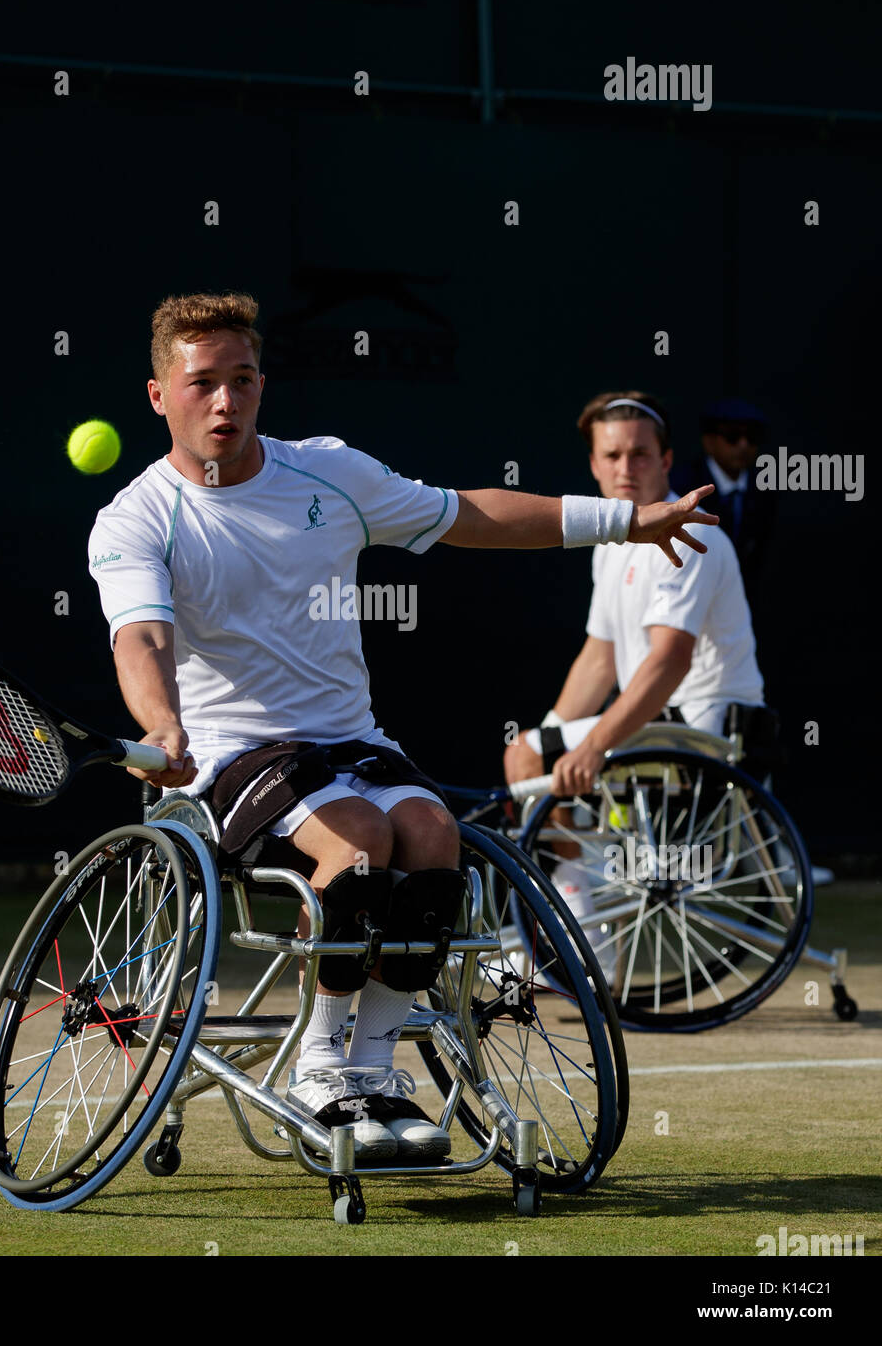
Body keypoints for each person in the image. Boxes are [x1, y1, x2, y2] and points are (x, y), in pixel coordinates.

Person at [88, 299, 716, 1163]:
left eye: (241, 381)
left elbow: (471, 514)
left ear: (262, 384)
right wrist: (162, 723)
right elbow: (143, 637)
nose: (225, 402)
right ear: (161, 395)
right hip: (233, 754)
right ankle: (318, 1065)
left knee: (431, 836)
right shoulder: (135, 518)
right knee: (361, 844)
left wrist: (623, 520)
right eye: (203, 385)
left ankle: (373, 1069)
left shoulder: (329, 473)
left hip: (350, 740)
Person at [503, 392, 766, 951]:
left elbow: (669, 662)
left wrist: (588, 746)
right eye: (613, 456)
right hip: (663, 728)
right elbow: (599, 660)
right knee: (528, 756)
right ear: (595, 465)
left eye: (641, 455)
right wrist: (545, 751)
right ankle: (588, 924)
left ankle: (589, 947)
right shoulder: (612, 542)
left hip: (707, 734)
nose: (626, 468)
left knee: (527, 755)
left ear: (667, 462)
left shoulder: (691, 536)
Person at [671, 399, 776, 618]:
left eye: (752, 437)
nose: (743, 445)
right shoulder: (681, 486)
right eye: (732, 436)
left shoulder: (766, 488)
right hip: (690, 601)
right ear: (709, 442)